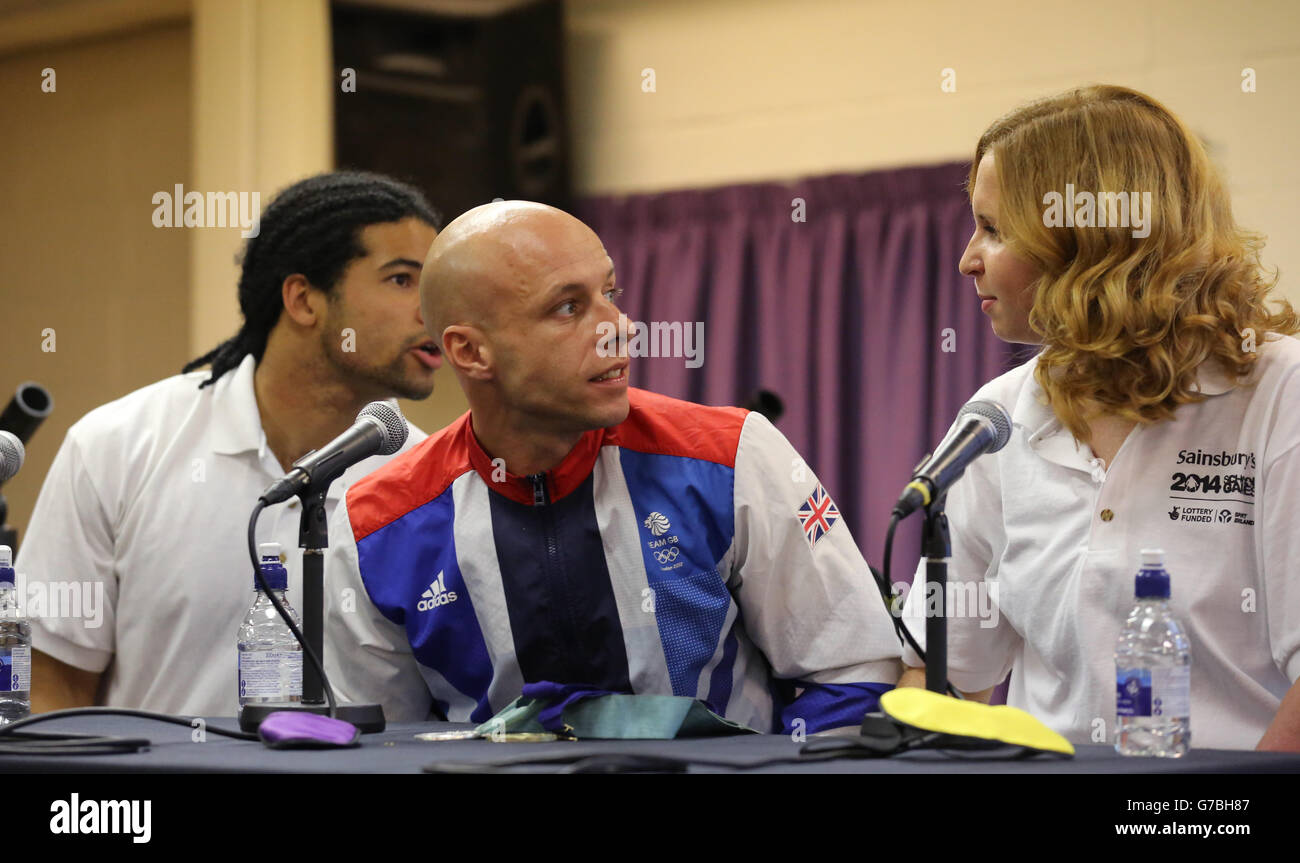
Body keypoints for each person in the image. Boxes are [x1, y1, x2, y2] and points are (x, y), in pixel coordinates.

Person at [324, 201, 901, 733]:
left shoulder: (731, 456)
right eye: (569, 307)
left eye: (611, 293)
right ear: (470, 352)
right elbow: (383, 744)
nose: (619, 327)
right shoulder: (376, 524)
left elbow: (851, 676)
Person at [898, 84, 1300, 751]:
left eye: (995, 230)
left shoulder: (1278, 393)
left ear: (1091, 239)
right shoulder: (995, 420)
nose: (968, 259)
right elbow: (945, 678)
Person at [16, 171, 443, 717]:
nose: (431, 309)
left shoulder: (437, 482)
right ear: (304, 299)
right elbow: (52, 688)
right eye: (403, 280)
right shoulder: (117, 446)